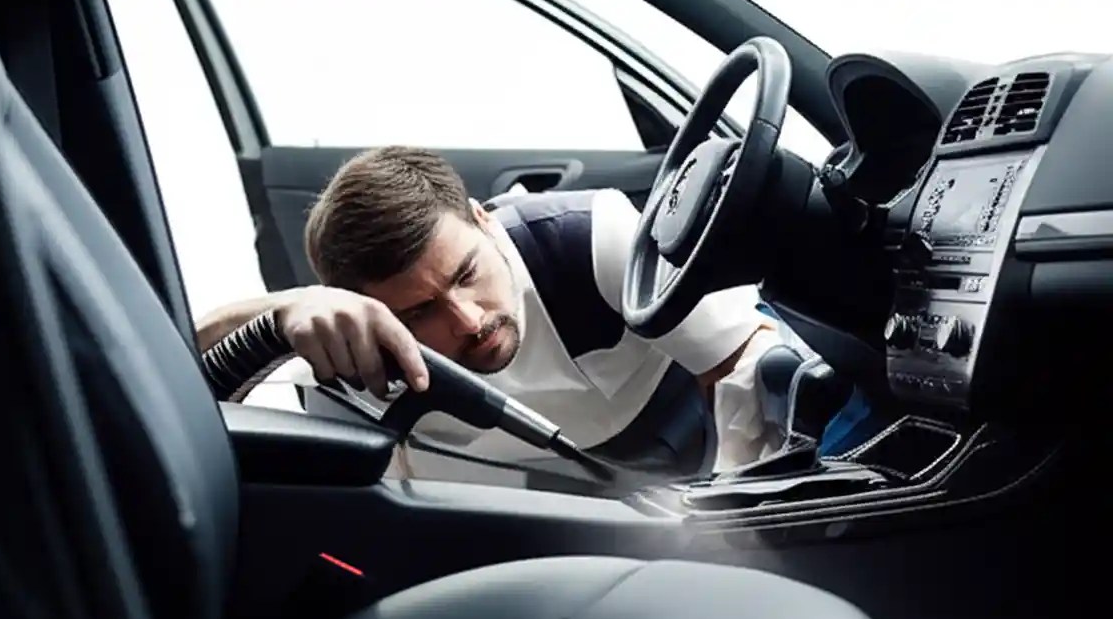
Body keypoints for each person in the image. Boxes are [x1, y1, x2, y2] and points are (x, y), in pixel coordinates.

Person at [196, 146, 822, 476]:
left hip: (695, 455)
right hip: (529, 526)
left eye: (467, 274)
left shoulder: (589, 236)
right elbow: (171, 370)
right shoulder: (353, 344)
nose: (467, 321)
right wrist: (287, 309)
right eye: (418, 314)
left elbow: (740, 361)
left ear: (482, 218)